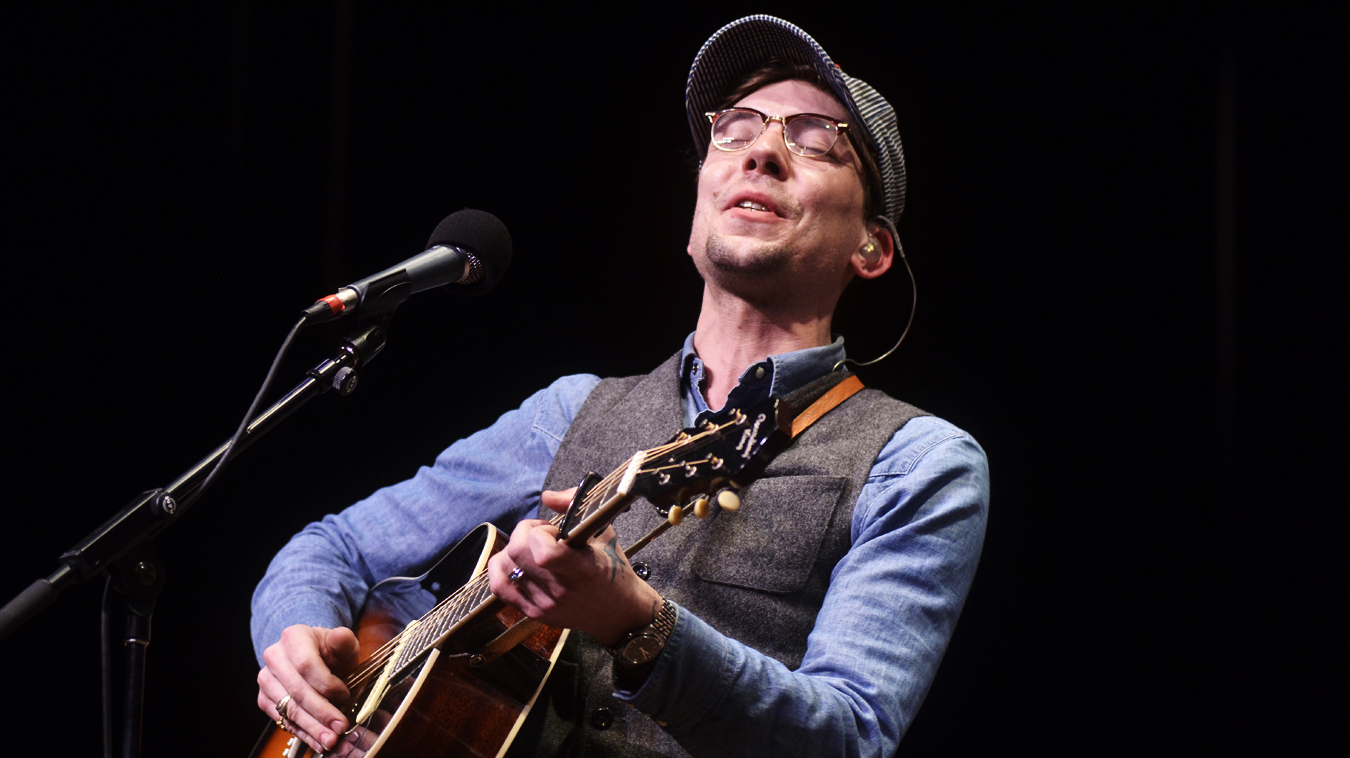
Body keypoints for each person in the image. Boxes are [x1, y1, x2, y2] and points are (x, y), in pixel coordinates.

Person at [251, 15, 989, 758]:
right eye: (734, 128)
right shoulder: (571, 409)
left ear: (872, 246)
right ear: (697, 205)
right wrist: (296, 641)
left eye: (816, 135)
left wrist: (639, 623)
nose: (762, 151)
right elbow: (333, 547)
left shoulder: (918, 462)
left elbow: (852, 737)